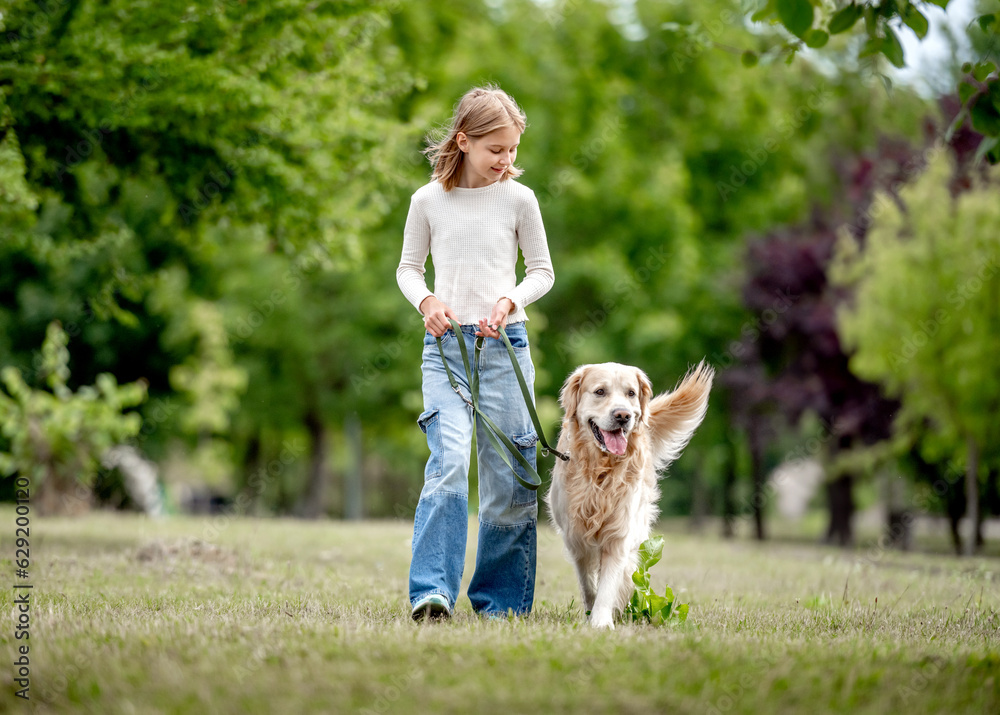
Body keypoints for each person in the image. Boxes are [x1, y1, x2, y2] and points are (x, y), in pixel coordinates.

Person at [396, 85, 555, 620]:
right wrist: (426, 301)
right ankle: (431, 593)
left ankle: (501, 603)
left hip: (503, 346)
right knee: (448, 463)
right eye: (496, 151)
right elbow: (408, 269)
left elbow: (542, 272)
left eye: (513, 150)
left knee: (509, 474)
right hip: (444, 348)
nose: (506, 161)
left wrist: (511, 299)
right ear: (463, 141)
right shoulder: (427, 201)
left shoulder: (519, 199)